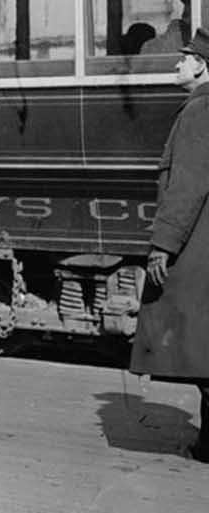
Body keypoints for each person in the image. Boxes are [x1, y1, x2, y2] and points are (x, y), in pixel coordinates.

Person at [129, 26, 209, 463]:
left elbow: (187, 186)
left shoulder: (201, 110)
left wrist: (163, 245)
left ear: (202, 65)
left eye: (185, 58)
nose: (177, 64)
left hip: (197, 246)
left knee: (198, 346)